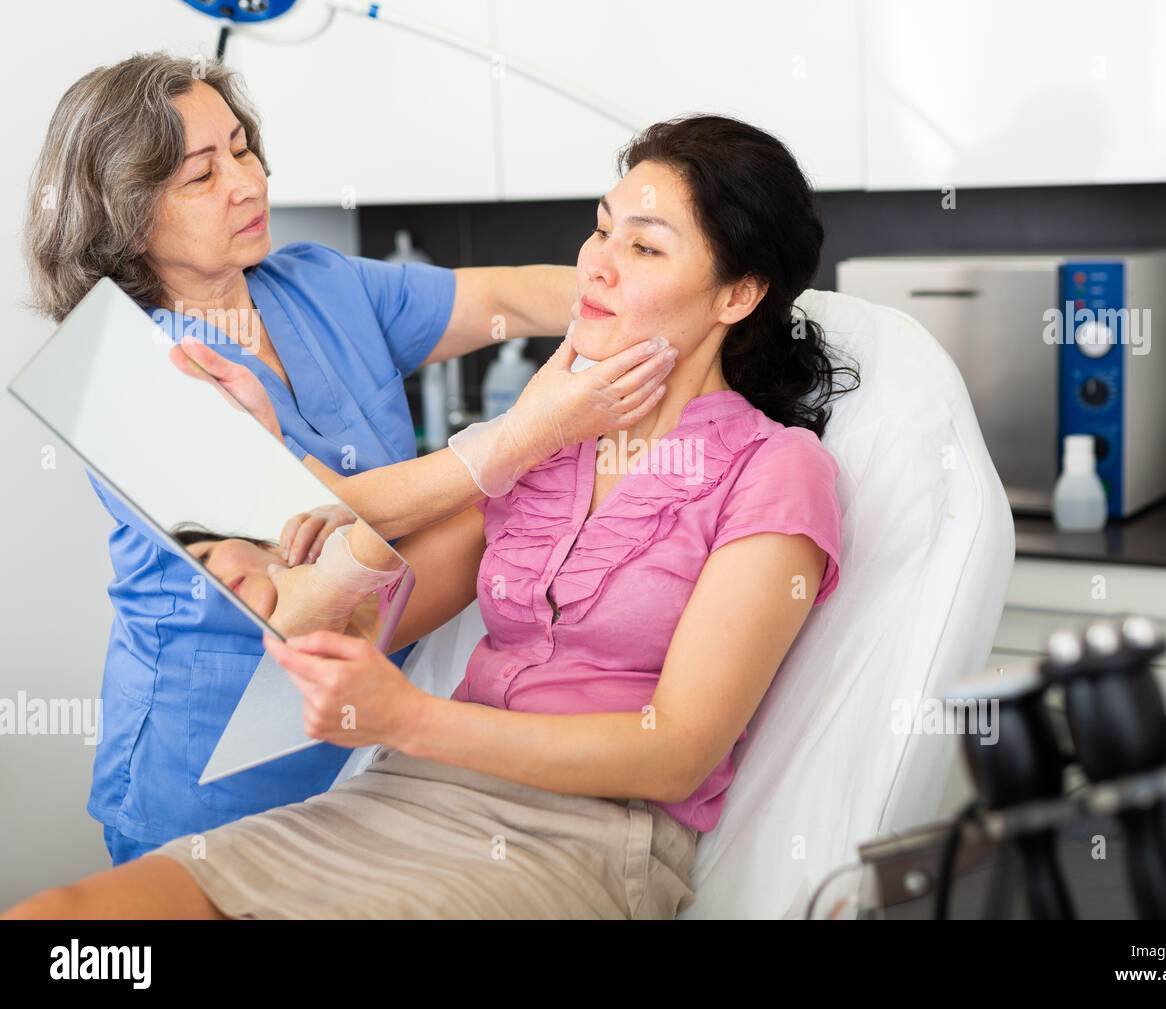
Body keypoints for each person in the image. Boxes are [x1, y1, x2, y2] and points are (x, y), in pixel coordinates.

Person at [6, 113, 859, 920]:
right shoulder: (550, 444)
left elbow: (676, 750)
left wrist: (409, 716)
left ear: (738, 294)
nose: (594, 265)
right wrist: (273, 538)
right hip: (408, 790)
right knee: (69, 917)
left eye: (642, 245)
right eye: (601, 230)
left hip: (583, 832)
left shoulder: (775, 472)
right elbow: (371, 611)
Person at [21, 51, 673, 867]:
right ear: (125, 215)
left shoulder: (313, 284)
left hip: (367, 750)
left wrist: (645, 298)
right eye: (200, 176)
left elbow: (503, 301)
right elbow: (315, 565)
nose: (247, 182)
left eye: (242, 147)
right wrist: (532, 435)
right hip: (207, 780)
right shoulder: (124, 384)